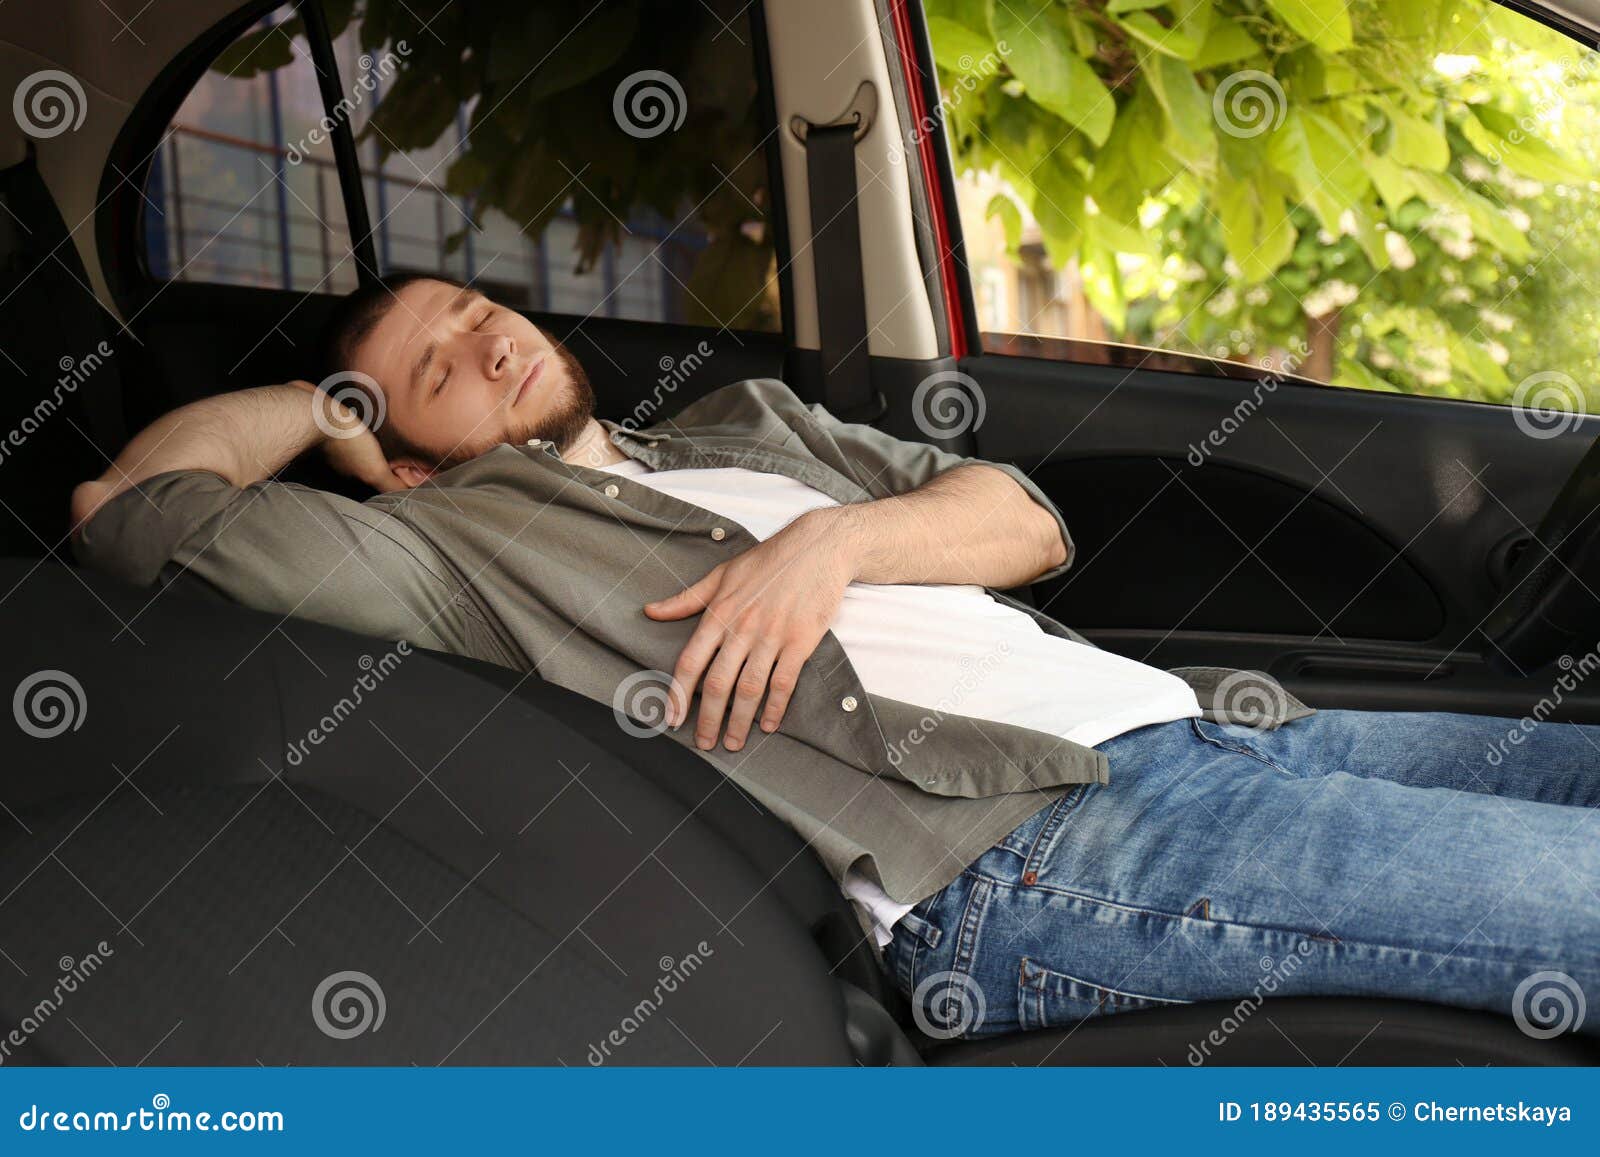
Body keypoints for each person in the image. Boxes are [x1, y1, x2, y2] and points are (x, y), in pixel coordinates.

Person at [71, 274, 1600, 1039]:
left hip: (1200, 736)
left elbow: (1023, 519)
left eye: (477, 312)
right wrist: (323, 409)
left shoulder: (745, 428)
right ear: (396, 454)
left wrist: (833, 542)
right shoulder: (451, 550)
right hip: (1027, 850)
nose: (486, 344)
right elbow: (131, 515)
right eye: (427, 371)